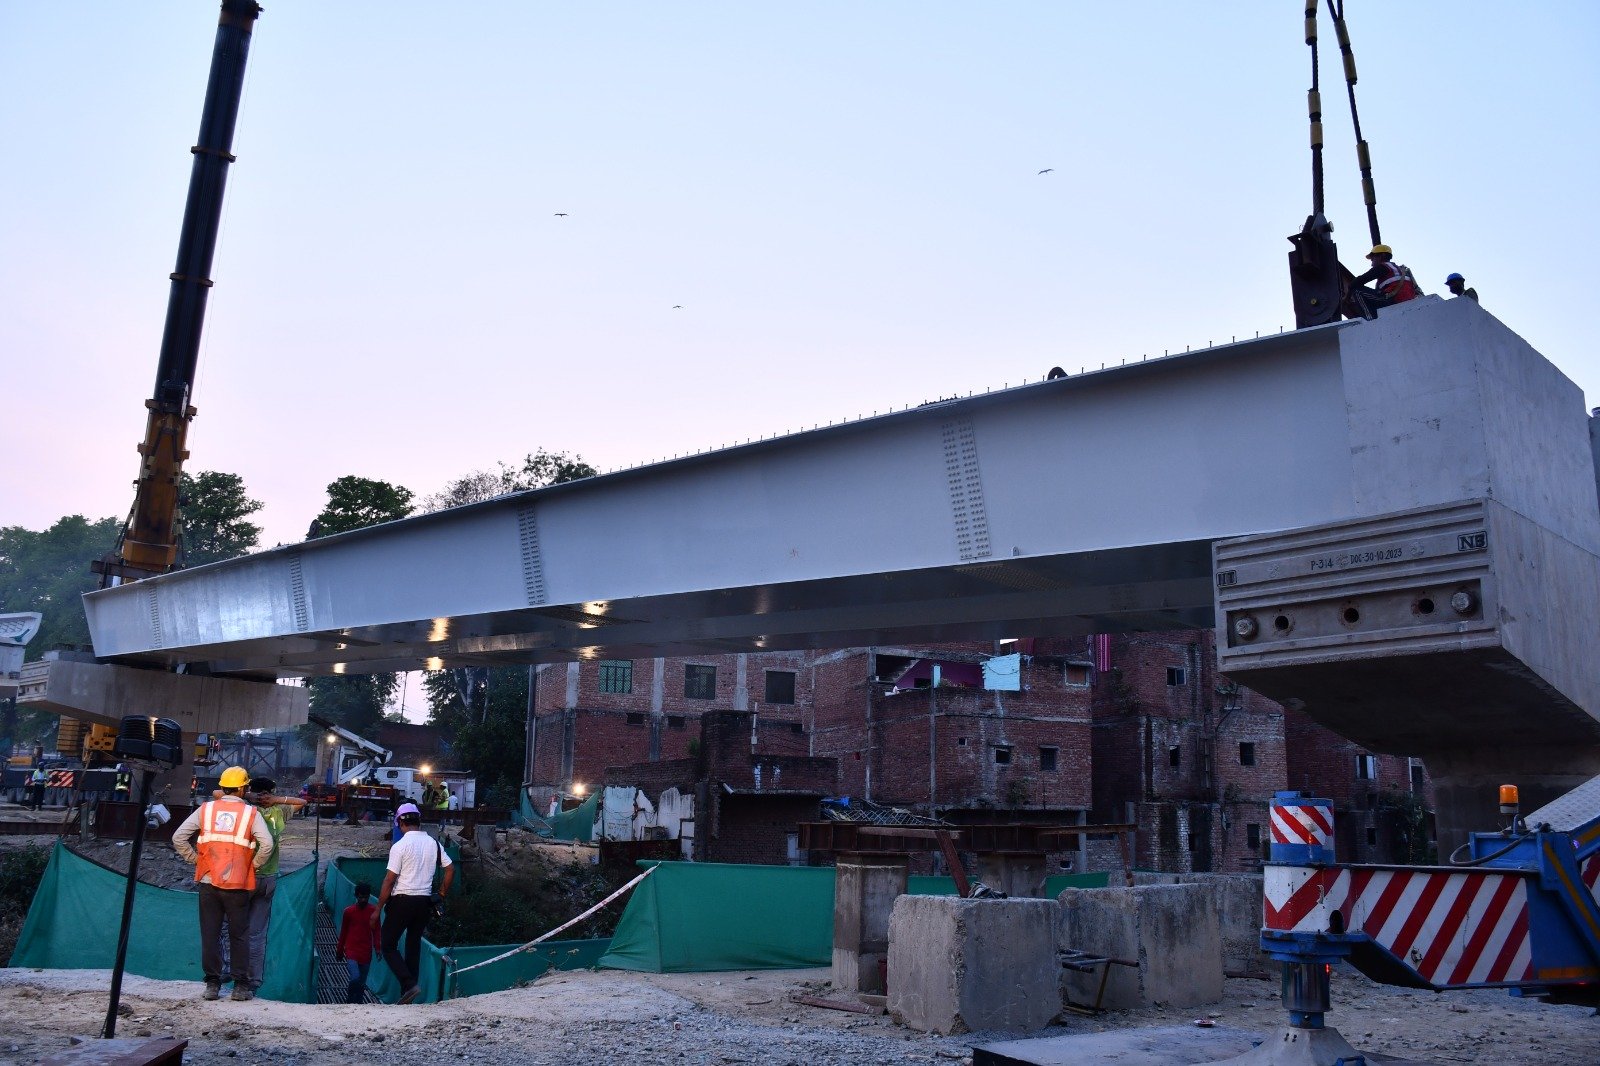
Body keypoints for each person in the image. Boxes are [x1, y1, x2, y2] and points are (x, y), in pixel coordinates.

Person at [171, 765, 274, 1002]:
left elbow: (178, 837)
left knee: (211, 934)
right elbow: (267, 844)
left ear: (223, 787)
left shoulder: (206, 809)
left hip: (209, 882)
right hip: (237, 884)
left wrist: (196, 860)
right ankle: (240, 987)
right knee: (239, 935)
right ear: (242, 789)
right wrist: (252, 866)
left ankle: (212, 985)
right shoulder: (250, 813)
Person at [219, 777, 306, 995]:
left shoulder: (245, 810)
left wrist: (249, 797)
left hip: (244, 877)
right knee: (257, 935)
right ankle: (252, 982)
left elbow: (217, 794)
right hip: (268, 880)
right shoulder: (279, 811)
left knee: (232, 927)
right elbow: (302, 802)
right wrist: (275, 799)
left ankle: (229, 970)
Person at [372, 805, 454, 1004]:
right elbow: (450, 869)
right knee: (413, 945)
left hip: (402, 901)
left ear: (400, 823)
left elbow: (389, 880)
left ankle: (408, 985)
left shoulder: (400, 846)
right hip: (424, 903)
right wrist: (441, 894)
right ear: (419, 821)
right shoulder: (434, 844)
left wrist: (378, 909)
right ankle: (408, 992)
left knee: (388, 945)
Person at [1346, 244, 1419, 318]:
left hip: (1392, 301)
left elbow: (1357, 282)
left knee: (1357, 291)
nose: (1372, 264)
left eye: (1373, 259)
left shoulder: (1384, 267)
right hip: (1408, 302)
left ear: (1382, 256)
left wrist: (1347, 297)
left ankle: (1370, 320)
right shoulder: (1400, 270)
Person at [336, 880, 377, 1003]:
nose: (363, 900)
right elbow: (343, 932)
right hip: (351, 950)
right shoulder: (349, 912)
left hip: (366, 951)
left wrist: (378, 947)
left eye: (366, 897)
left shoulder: (373, 912)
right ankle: (349, 1001)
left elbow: (377, 931)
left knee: (361, 983)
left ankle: (358, 1004)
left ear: (369, 896)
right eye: (360, 897)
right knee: (355, 977)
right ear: (356, 896)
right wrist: (339, 950)